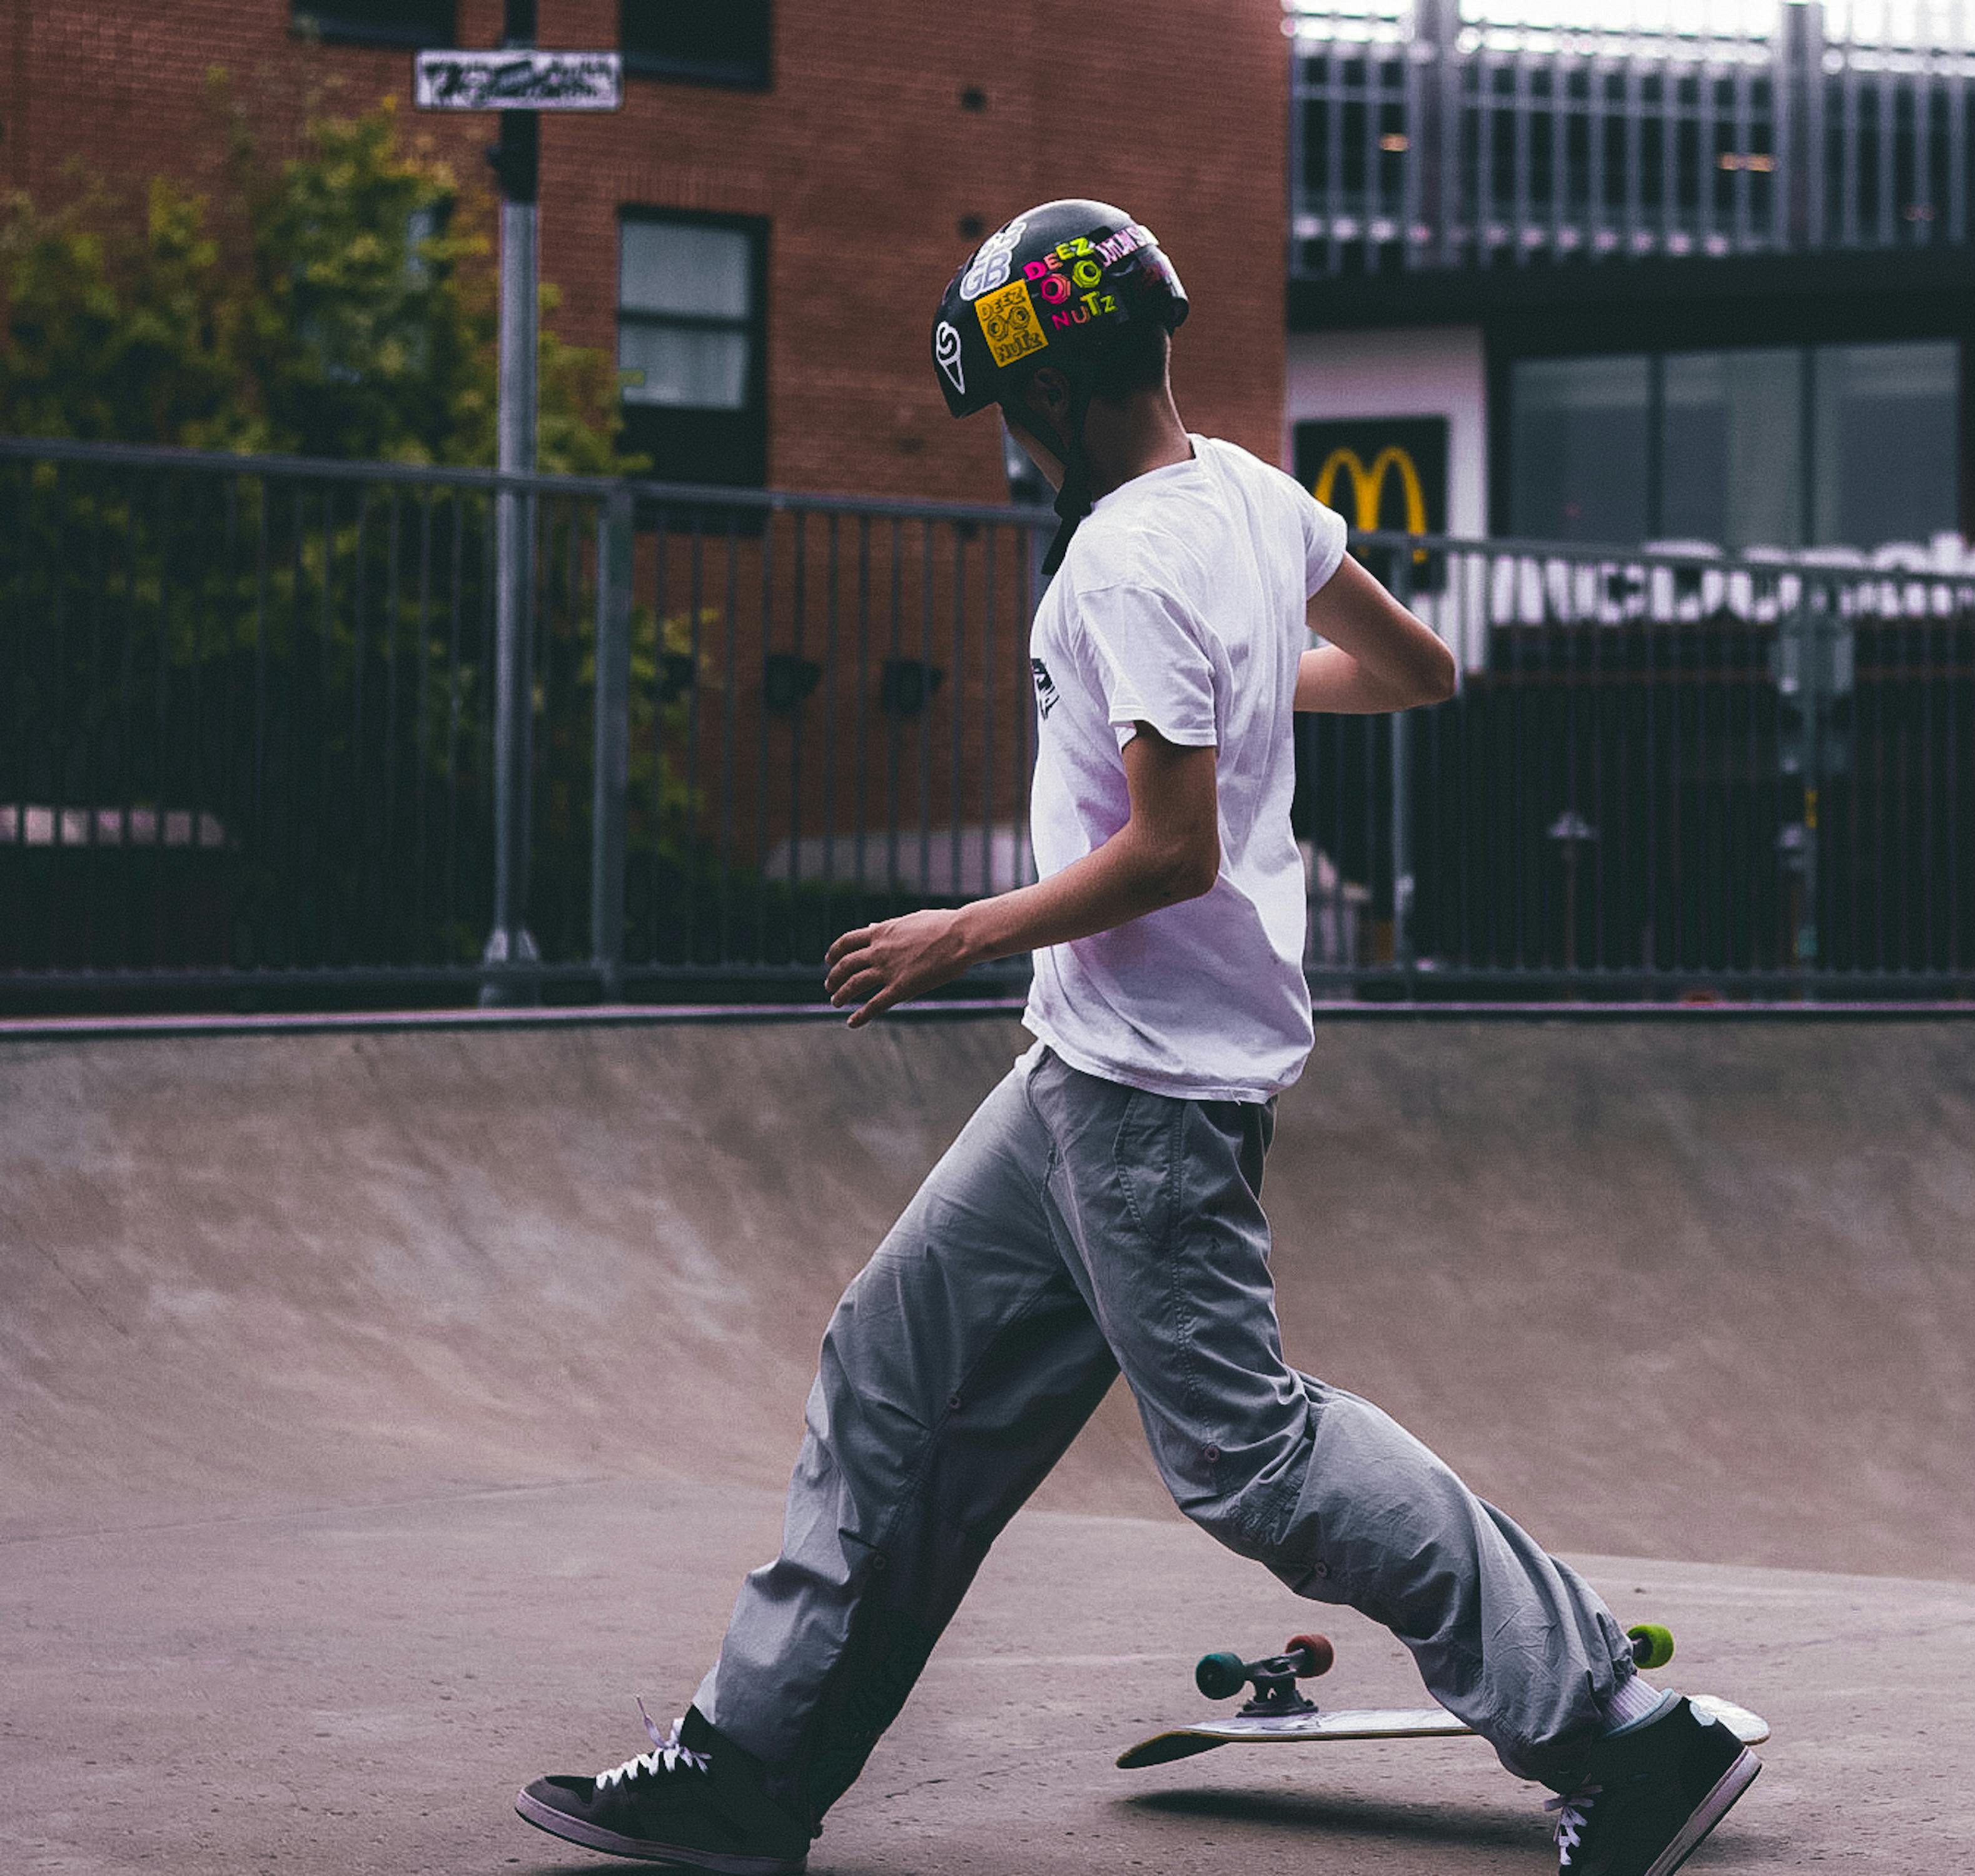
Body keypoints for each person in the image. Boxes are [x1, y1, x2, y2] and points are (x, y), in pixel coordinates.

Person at [513, 199, 1760, 1876]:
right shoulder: (1247, 496)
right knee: (890, 1367)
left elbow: (1170, 849)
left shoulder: (1120, 556)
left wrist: (961, 928)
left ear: (1051, 399)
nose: (1011, 451)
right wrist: (1251, 681)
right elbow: (1418, 670)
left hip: (1150, 1095)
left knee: (1248, 1454)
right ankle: (751, 1765)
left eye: (1008, 420)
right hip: (1078, 1075)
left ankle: (1614, 1728)